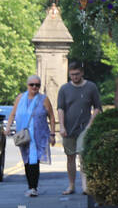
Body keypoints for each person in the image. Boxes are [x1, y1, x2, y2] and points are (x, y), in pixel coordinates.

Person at [57, 60, 103, 195]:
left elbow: (98, 108)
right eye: (71, 75)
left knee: (83, 157)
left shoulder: (91, 87)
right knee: (70, 157)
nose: (74, 77)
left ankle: (85, 186)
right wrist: (62, 126)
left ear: (82, 73)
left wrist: (90, 124)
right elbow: (60, 109)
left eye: (77, 74)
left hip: (85, 129)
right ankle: (71, 185)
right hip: (69, 129)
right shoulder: (64, 89)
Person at [5, 75, 56, 196]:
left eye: (37, 85)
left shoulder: (44, 99)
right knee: (27, 160)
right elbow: (12, 114)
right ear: (27, 85)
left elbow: (52, 117)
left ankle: (33, 187)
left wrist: (52, 134)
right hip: (23, 135)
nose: (34, 87)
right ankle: (30, 185)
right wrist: (8, 128)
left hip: (39, 135)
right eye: (32, 84)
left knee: (35, 160)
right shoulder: (20, 98)